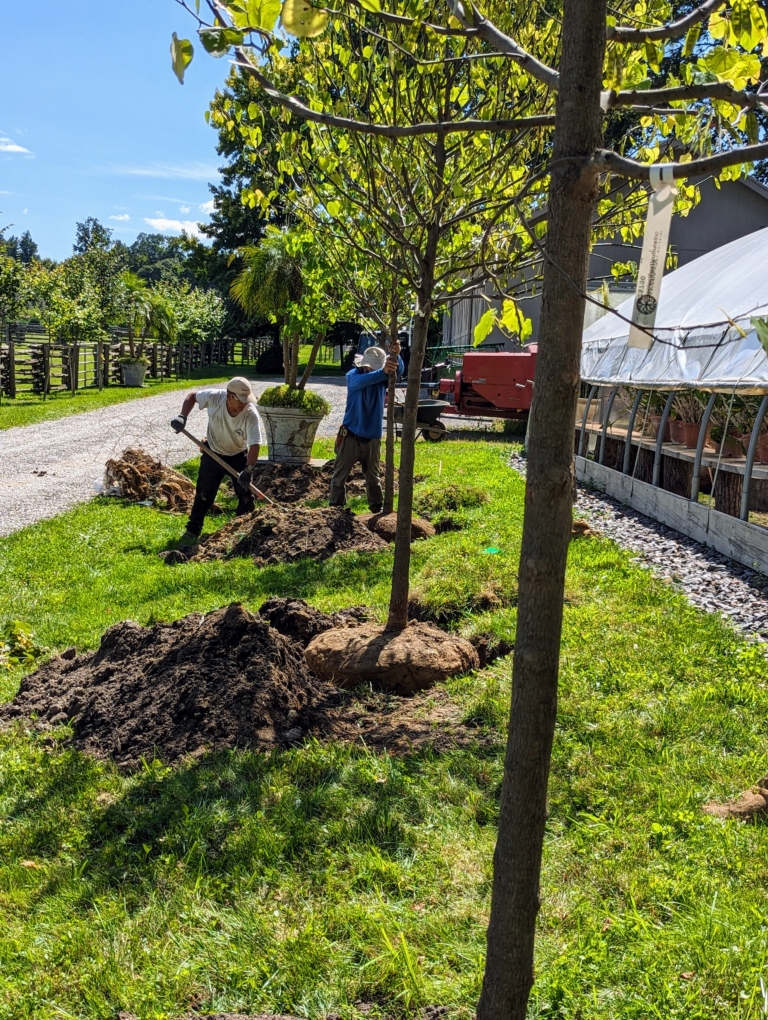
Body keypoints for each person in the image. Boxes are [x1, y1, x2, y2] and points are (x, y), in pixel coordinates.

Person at [170, 376, 261, 545]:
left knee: (246, 496)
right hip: (212, 453)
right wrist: (182, 416)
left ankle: (243, 531)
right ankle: (193, 530)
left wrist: (248, 470)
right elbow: (192, 396)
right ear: (229, 396)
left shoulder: (250, 414)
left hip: (238, 456)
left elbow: (255, 444)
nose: (244, 404)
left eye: (246, 399)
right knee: (204, 494)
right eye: (240, 400)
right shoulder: (214, 397)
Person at [330, 342, 403, 512]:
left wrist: (396, 355)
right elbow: (371, 377)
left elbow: (398, 371)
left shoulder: (382, 379)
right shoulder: (353, 377)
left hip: (372, 439)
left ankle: (376, 508)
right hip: (350, 436)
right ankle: (335, 508)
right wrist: (383, 371)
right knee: (339, 476)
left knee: (373, 477)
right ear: (364, 366)